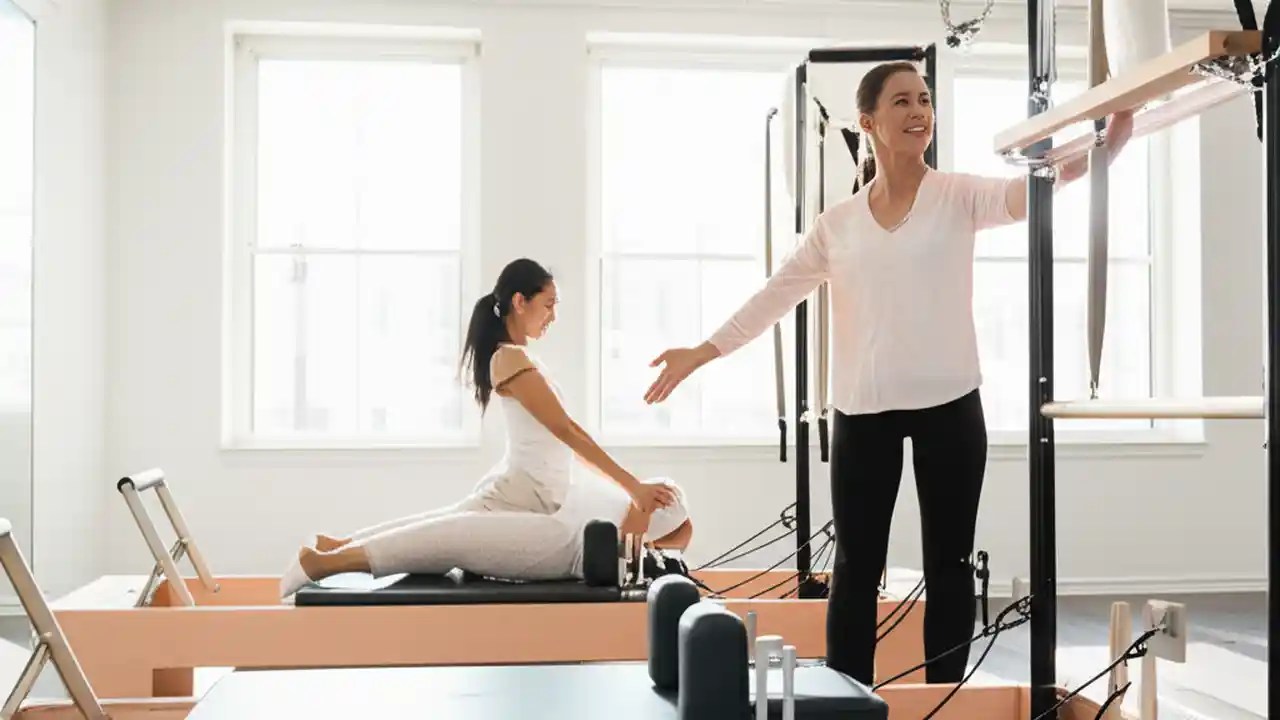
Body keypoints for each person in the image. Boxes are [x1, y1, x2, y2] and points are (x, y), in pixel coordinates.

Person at [643, 62, 1134, 685]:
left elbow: (1042, 184)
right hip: (862, 411)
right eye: (902, 101)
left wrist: (1112, 138)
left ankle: (943, 699)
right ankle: (847, 697)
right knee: (855, 568)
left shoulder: (959, 196)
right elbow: (773, 298)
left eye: (924, 100)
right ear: (868, 122)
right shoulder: (838, 225)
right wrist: (702, 351)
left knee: (950, 565)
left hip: (950, 406)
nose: (919, 111)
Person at [278, 257, 681, 596]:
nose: (553, 316)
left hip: (526, 490)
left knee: (446, 521)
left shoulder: (521, 357)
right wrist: (633, 487)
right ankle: (326, 562)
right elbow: (566, 430)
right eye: (548, 305)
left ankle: (342, 545)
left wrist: (637, 496)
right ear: (519, 302)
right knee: (450, 534)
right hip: (526, 494)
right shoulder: (509, 358)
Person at [280, 473, 693, 594]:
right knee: (457, 520)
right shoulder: (665, 505)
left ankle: (336, 555)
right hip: (563, 514)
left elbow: (622, 552)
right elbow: (628, 545)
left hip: (564, 526)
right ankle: (341, 550)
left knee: (456, 527)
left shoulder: (657, 512)